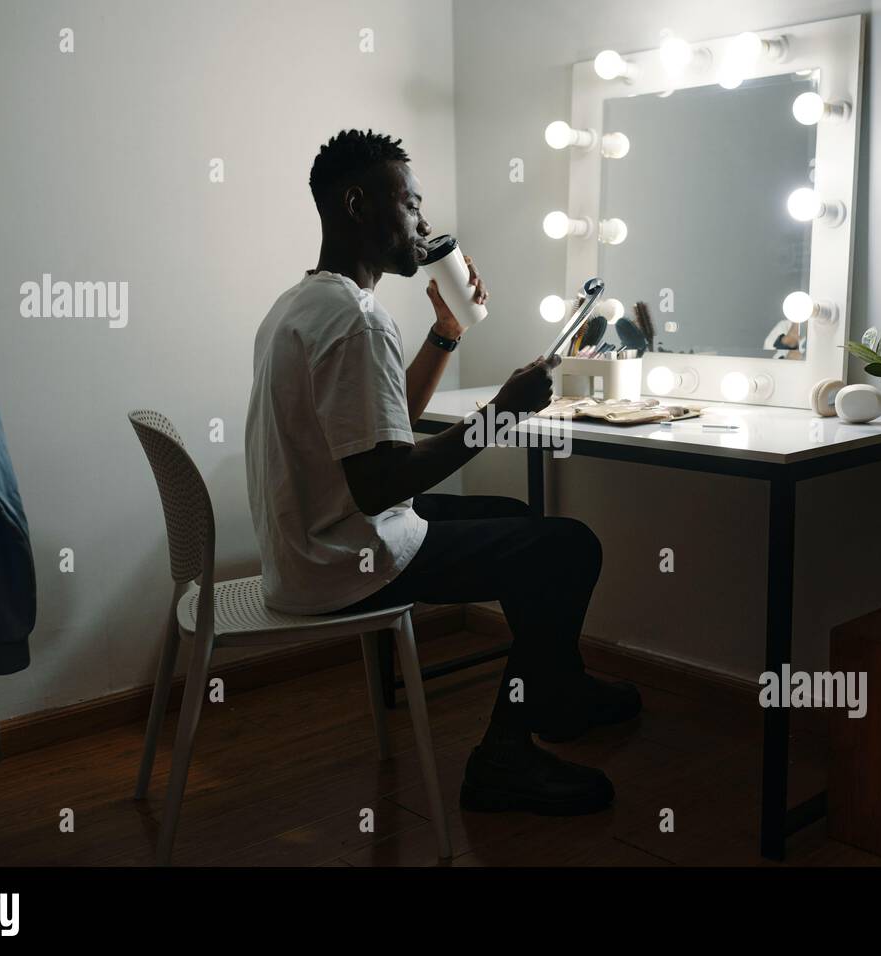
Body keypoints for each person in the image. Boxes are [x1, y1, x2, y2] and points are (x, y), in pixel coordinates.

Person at [245, 130, 640, 816]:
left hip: (307, 550)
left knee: (516, 522)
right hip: (347, 561)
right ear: (357, 204)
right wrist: (502, 411)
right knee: (569, 549)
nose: (424, 224)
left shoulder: (302, 305)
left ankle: (557, 690)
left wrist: (447, 334)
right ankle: (505, 754)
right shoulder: (358, 320)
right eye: (411, 204)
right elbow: (383, 482)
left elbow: (384, 426)